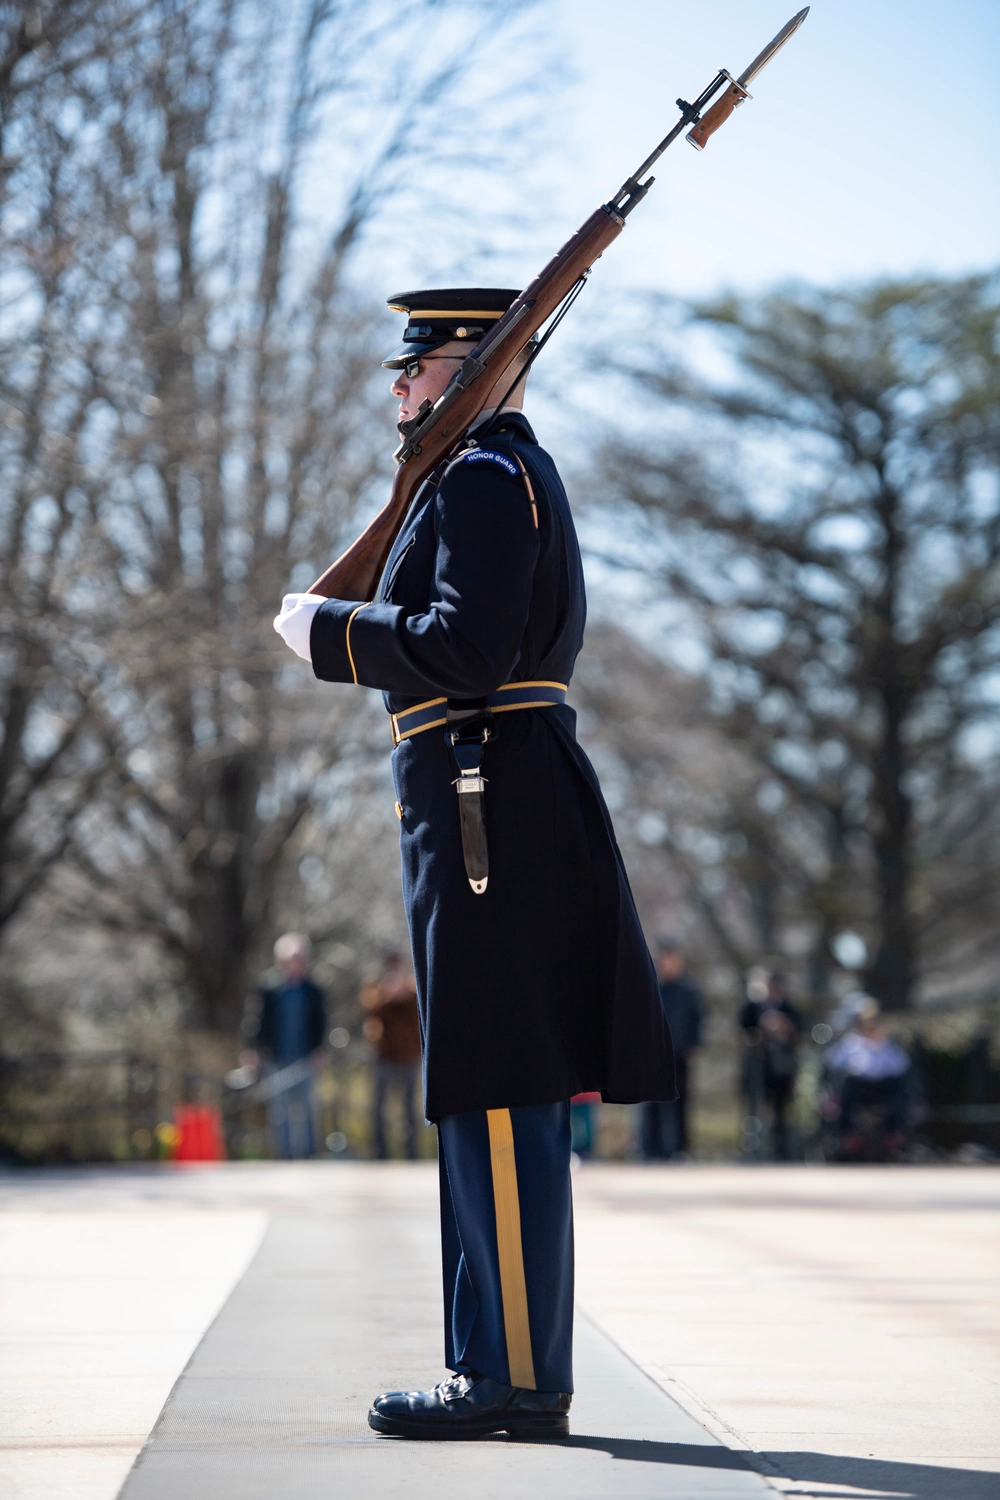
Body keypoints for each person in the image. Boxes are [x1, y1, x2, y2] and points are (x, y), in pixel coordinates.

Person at [273, 287, 675, 1441]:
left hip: (485, 794)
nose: (397, 391)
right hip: (482, 793)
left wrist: (330, 634)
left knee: (497, 1091)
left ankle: (504, 1375)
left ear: (470, 370)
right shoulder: (480, 475)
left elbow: (466, 646)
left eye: (414, 370)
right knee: (488, 1093)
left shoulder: (485, 477)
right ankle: (501, 1363)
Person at [249, 933, 327, 1160]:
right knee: (279, 1111)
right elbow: (258, 1021)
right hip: (277, 1057)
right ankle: (284, 1156)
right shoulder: (269, 989)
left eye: (299, 958)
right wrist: (254, 1049)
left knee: (308, 1109)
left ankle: (309, 1155)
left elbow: (322, 1023)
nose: (295, 964)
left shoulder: (313, 990)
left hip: (306, 1057)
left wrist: (321, 1050)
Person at [823, 997, 910, 1159]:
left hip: (882, 1089)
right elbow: (834, 1064)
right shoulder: (851, 1043)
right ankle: (849, 1134)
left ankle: (894, 1133)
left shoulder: (887, 1044)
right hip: (858, 1088)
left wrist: (880, 1044)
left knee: (899, 1089)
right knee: (846, 1086)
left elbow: (900, 1066)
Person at [640, 938, 703, 1160]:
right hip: (653, 1054)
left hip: (679, 1055)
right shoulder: (650, 986)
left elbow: (696, 1019)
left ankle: (678, 1148)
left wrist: (693, 1046)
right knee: (651, 1104)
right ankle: (651, 1148)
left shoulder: (688, 991)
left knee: (680, 1102)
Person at [360, 952, 422, 1160]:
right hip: (384, 1056)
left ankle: (412, 1152)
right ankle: (379, 1151)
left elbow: (419, 1017)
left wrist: (406, 994)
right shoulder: (375, 989)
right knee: (378, 1106)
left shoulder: (413, 988)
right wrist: (386, 995)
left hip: (408, 1055)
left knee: (410, 1108)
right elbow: (370, 1014)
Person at [741, 968, 802, 1160]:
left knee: (781, 1110)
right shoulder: (753, 1007)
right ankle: (754, 1150)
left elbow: (800, 1031)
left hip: (782, 1069)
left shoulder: (789, 1008)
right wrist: (763, 1027)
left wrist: (784, 1027)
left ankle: (781, 1149)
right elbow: (744, 1029)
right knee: (754, 1110)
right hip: (759, 1065)